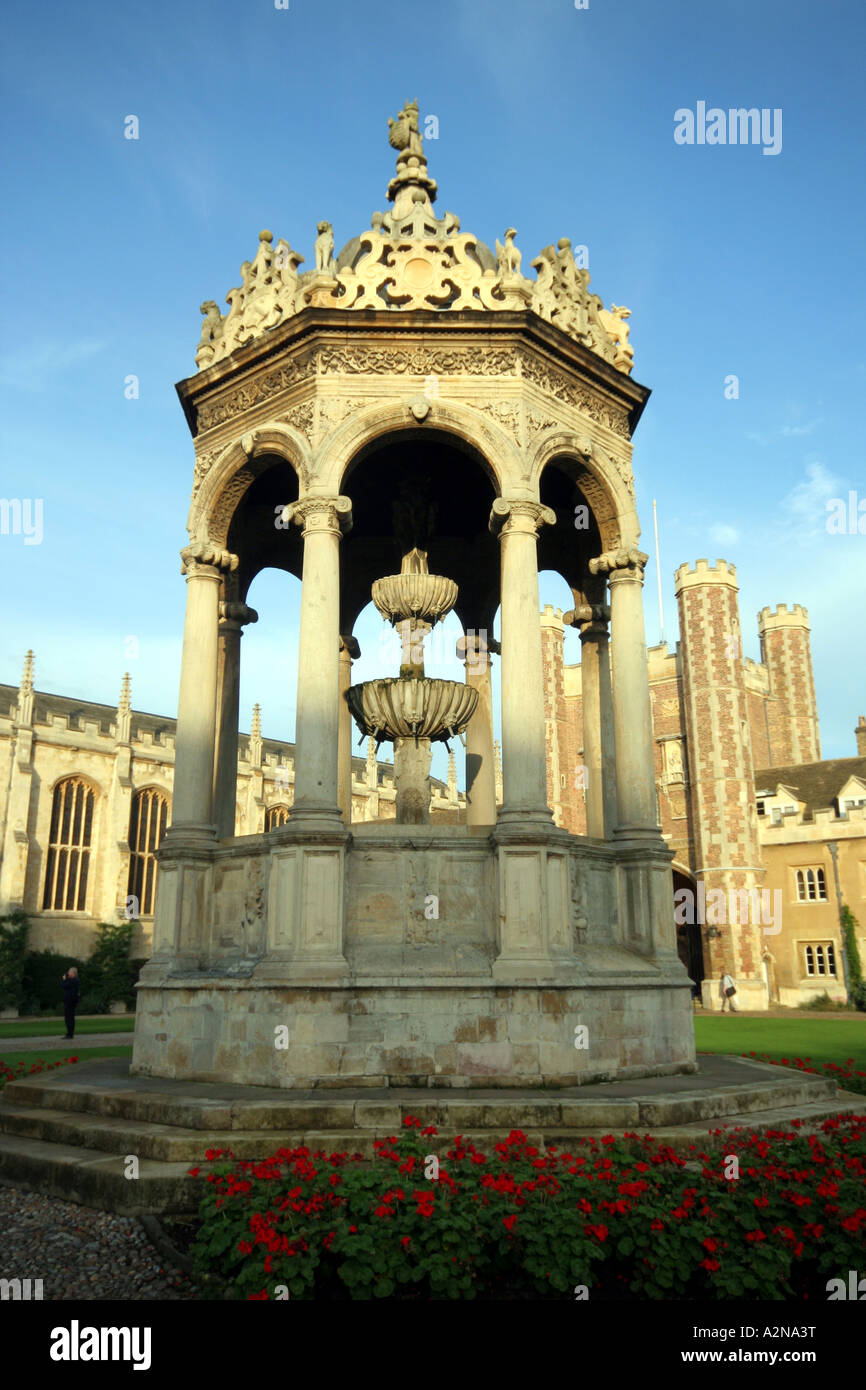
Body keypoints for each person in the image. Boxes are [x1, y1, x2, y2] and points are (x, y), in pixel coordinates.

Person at [61, 967, 80, 1039]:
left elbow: (64, 986)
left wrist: (64, 979)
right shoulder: (71, 980)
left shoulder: (74, 980)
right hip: (68, 1000)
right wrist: (66, 978)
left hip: (71, 1001)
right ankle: (69, 1033)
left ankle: (70, 1034)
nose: (68, 973)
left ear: (73, 973)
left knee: (70, 1017)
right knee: (68, 1017)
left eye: (69, 972)